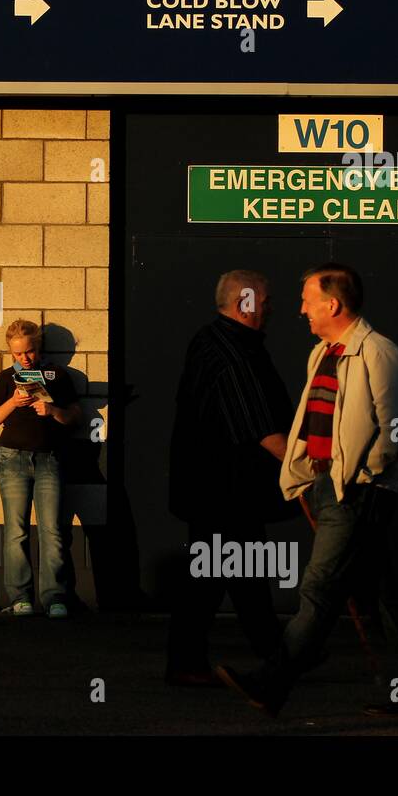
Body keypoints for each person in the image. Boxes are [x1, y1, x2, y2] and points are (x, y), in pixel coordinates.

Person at [217, 263, 398, 718]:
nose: (301, 309)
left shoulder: (379, 354)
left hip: (358, 492)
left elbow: (397, 428)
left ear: (333, 304)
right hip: (327, 486)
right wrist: (307, 471)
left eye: (307, 300)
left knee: (319, 589)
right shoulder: (323, 352)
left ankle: (271, 683)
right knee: (379, 594)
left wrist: (362, 473)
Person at [165, 271, 292, 685]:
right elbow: (262, 429)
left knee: (240, 572)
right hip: (225, 490)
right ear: (247, 303)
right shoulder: (233, 352)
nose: (271, 308)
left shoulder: (212, 340)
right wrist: (307, 470)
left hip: (217, 488)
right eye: (266, 300)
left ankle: (275, 652)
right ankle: (190, 662)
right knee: (215, 574)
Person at [0, 319, 82, 619]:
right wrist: (13, 402)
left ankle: (54, 597)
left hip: (48, 458)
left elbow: (75, 416)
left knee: (51, 530)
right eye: (17, 354)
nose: (24, 358)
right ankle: (20, 597)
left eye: (29, 352)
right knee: (16, 531)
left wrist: (52, 410)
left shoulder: (57, 375)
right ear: (10, 353)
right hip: (12, 458)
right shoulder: (5, 379)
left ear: (37, 347)